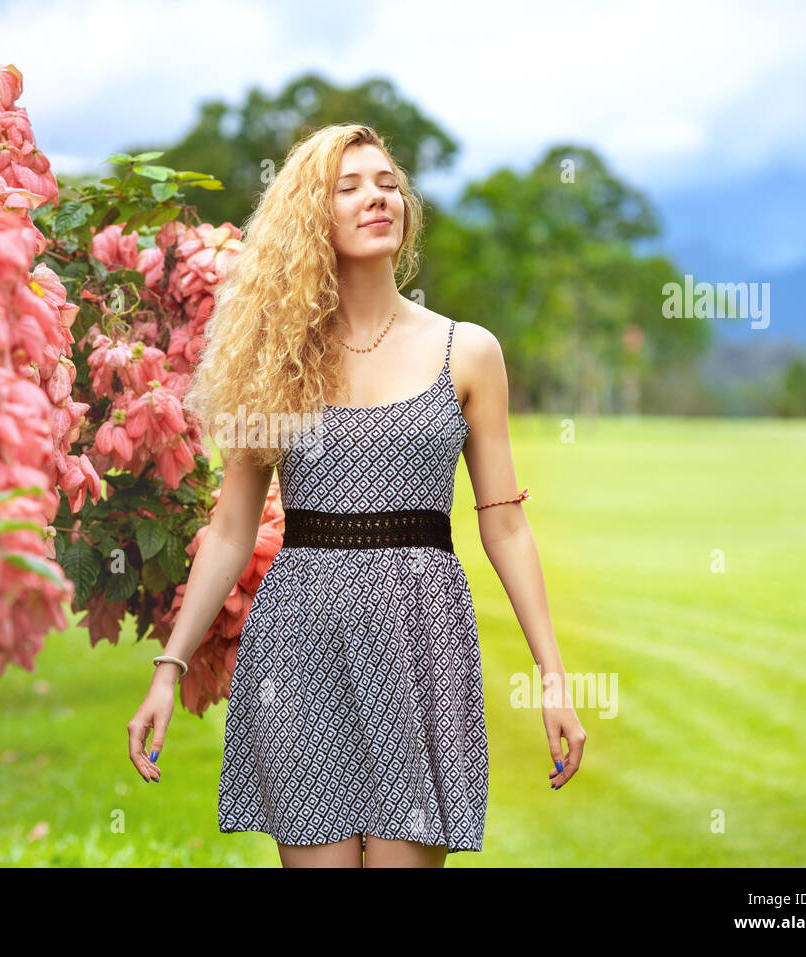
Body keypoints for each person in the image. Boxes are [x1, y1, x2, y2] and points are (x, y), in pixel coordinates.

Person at [127, 123, 585, 868]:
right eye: (350, 187)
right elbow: (232, 530)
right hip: (299, 644)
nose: (378, 197)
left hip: (421, 643)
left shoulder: (467, 351)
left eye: (386, 183)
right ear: (314, 217)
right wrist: (170, 667)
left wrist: (553, 678)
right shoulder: (273, 360)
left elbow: (504, 528)